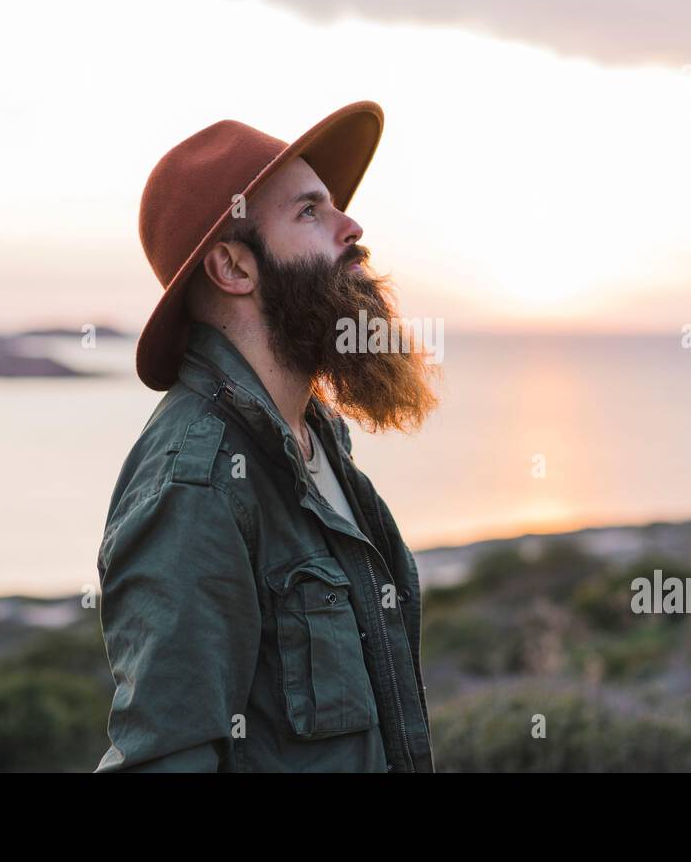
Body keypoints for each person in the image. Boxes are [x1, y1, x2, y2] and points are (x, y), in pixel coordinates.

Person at [94, 101, 440, 772]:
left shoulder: (316, 445)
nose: (352, 227)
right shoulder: (193, 484)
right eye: (310, 212)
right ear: (233, 268)